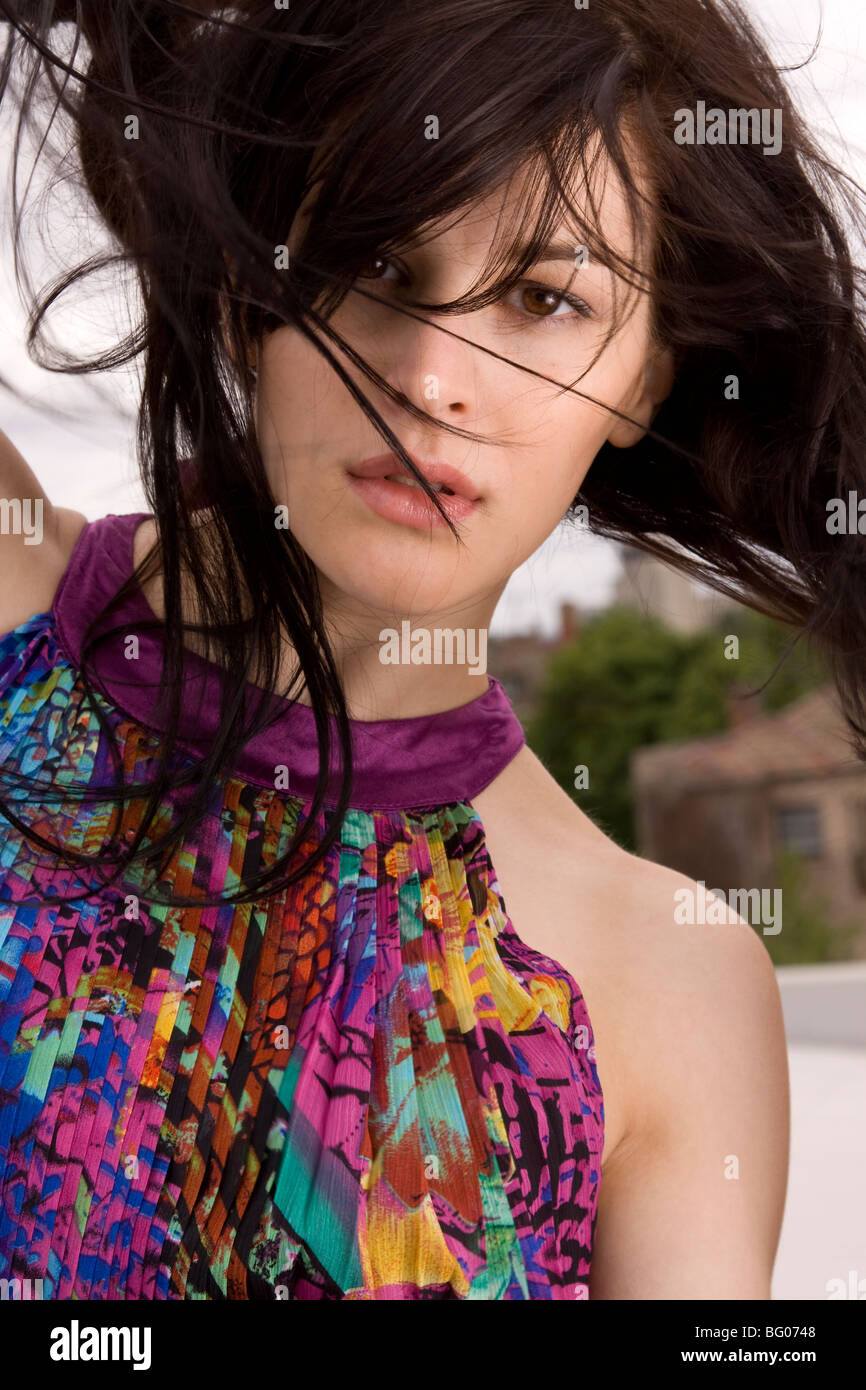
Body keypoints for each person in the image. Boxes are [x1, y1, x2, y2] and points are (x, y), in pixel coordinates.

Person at [2, 0, 862, 1300]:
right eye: (377, 265)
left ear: (644, 376)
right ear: (248, 292)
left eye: (542, 298)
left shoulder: (667, 974)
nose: (431, 375)